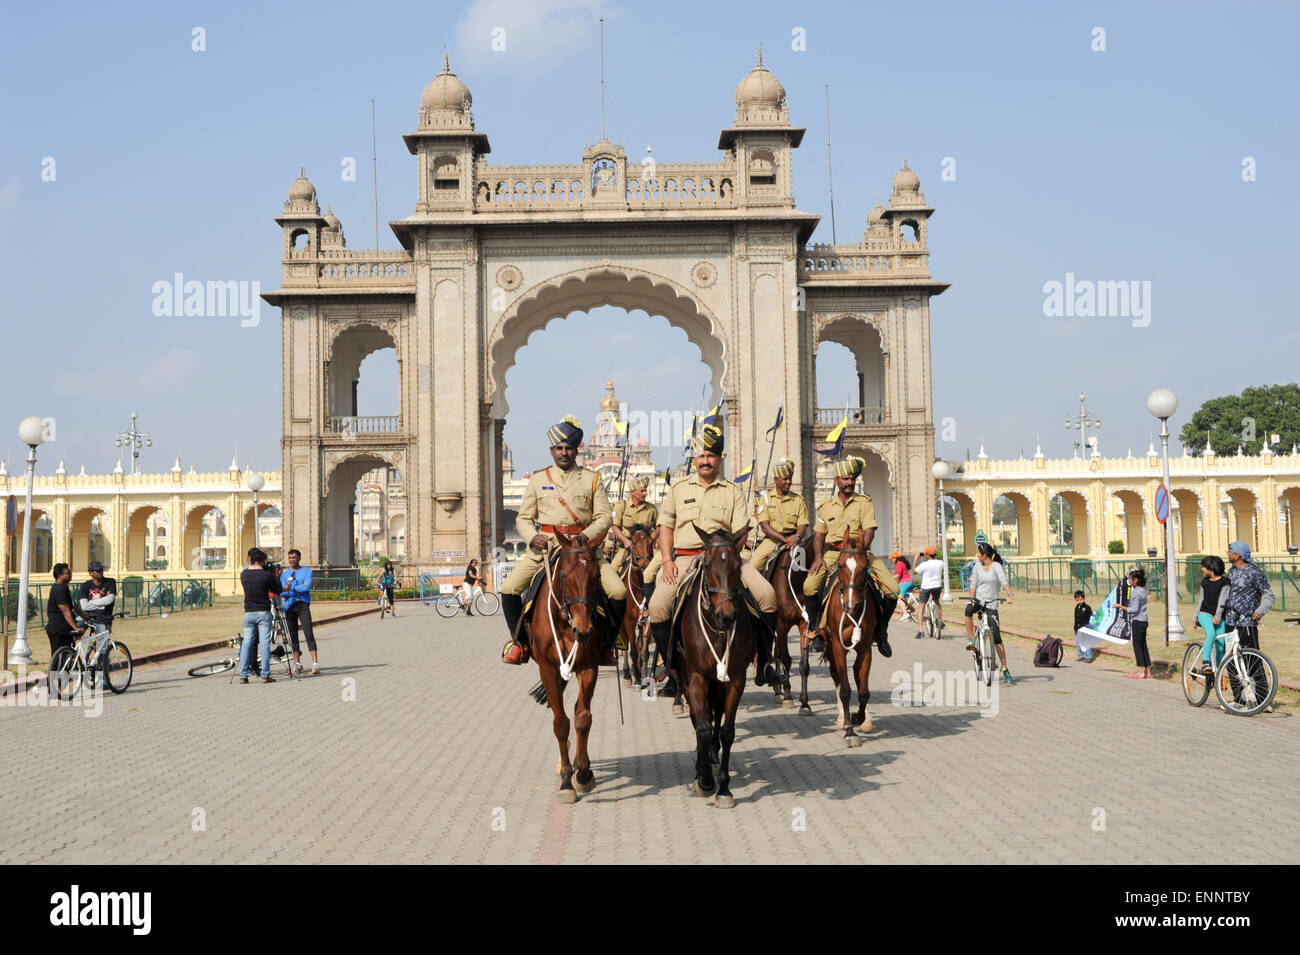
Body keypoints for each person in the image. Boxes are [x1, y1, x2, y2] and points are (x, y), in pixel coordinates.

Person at [647, 424, 782, 689]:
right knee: (657, 606)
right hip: (687, 557)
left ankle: (765, 662)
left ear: (720, 459)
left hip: (725, 559)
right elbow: (666, 526)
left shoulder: (732, 490)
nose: (705, 460)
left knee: (767, 595)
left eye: (711, 456)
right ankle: (673, 668)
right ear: (694, 459)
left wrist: (732, 554)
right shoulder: (679, 488)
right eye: (701, 455)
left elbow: (742, 529)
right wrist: (666, 560)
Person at [500, 415, 626, 665]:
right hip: (546, 549)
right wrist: (532, 536)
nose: (564, 452)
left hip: (584, 551)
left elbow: (603, 518)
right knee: (509, 588)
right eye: (560, 448)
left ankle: (606, 645)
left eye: (569, 448)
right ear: (552, 451)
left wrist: (584, 538)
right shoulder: (539, 479)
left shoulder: (592, 479)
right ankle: (521, 644)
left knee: (619, 592)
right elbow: (523, 519)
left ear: (576, 450)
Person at [802, 455, 898, 657]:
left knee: (893, 589)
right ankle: (815, 629)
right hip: (834, 554)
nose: (849, 483)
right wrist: (818, 557)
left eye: (852, 479)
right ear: (836, 480)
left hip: (861, 552)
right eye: (845, 479)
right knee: (809, 585)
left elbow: (870, 529)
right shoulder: (826, 507)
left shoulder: (864, 502)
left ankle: (881, 632)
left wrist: (863, 548)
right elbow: (819, 536)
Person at [1223, 540, 1274, 710]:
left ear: (1237, 554)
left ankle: (1262, 701)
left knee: (1253, 660)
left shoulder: (1254, 573)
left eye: (1230, 551)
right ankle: (1239, 699)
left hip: (1247, 623)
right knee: (1231, 661)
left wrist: (1260, 611)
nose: (1227, 553)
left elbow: (1268, 596)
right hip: (1230, 622)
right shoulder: (1230, 572)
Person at [963, 542, 1016, 684]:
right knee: (968, 610)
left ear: (984, 554)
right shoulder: (977, 567)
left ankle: (1004, 668)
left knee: (997, 638)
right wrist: (972, 598)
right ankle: (971, 639)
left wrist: (1009, 594)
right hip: (979, 600)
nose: (977, 555)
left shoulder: (997, 566)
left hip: (992, 603)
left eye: (979, 553)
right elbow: (973, 584)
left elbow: (1003, 581)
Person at [747, 459, 809, 575]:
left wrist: (797, 537)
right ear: (776, 480)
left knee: (804, 573)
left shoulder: (798, 500)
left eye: (790, 478)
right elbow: (765, 526)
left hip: (795, 540)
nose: (789, 482)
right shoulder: (765, 499)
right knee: (752, 568)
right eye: (785, 479)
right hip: (772, 540)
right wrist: (785, 540)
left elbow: (803, 523)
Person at [608, 475, 661, 596]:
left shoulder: (651, 509)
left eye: (645, 490)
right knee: (612, 572)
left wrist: (653, 539)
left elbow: (659, 526)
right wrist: (625, 541)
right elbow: (615, 526)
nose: (645, 493)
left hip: (647, 549)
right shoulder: (622, 506)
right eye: (642, 490)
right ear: (633, 492)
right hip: (626, 548)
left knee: (657, 573)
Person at [239, 547, 283, 683]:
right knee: (264, 643)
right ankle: (265, 674)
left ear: (250, 559)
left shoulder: (244, 574)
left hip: (249, 612)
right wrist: (276, 576)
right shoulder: (266, 575)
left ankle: (243, 674)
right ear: (261, 561)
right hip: (263, 611)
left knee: (247, 643)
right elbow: (278, 590)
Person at [78, 560, 117, 689]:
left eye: (101, 569)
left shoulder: (110, 582)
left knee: (102, 650)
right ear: (91, 573)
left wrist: (91, 603)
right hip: (87, 617)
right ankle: (73, 657)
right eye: (97, 570)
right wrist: (100, 603)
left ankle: (104, 679)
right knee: (75, 633)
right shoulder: (85, 586)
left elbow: (110, 599)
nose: (100, 572)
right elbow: (83, 605)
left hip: (103, 619)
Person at [280, 548, 318, 676]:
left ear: (299, 558)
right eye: (290, 558)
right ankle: (297, 664)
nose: (292, 560)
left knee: (308, 633)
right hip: (289, 606)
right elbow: (281, 591)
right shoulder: (285, 574)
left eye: (294, 558)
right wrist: (294, 589)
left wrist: (291, 588)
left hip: (302, 605)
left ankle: (315, 664)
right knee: (293, 636)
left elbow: (306, 587)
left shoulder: (307, 571)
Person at [1194, 556, 1230, 676]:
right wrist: (1195, 617)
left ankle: (1218, 673)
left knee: (1221, 645)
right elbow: (1201, 601)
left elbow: (1222, 601)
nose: (1202, 569)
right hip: (1204, 614)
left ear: (1211, 567)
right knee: (1211, 634)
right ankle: (1205, 663)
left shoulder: (1225, 582)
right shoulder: (1205, 582)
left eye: (1204, 566)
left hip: (1218, 616)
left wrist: (1218, 616)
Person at [45, 563, 82, 657]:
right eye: (68, 573)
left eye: (70, 572)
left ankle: (68, 671)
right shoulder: (59, 589)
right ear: (59, 575)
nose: (70, 574)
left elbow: (73, 605)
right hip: (58, 629)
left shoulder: (64, 587)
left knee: (68, 656)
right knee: (59, 658)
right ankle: (54, 672)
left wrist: (84, 616)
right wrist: (76, 627)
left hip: (65, 628)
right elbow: (65, 610)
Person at [912, 546, 947, 638]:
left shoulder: (924, 564)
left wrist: (915, 559)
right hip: (937, 586)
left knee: (921, 608)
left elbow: (914, 572)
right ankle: (940, 621)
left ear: (927, 555)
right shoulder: (940, 563)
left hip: (926, 587)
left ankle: (921, 631)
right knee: (937, 602)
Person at [1124, 568, 1151, 679]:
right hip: (1144, 621)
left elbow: (1134, 609)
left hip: (1137, 621)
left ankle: (1140, 671)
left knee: (1137, 646)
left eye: (1130, 579)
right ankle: (1147, 672)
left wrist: (1122, 607)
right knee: (1143, 645)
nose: (1129, 581)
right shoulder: (1143, 590)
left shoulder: (1135, 593)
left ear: (1135, 580)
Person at [1073, 590, 1094, 662]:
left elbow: (1091, 617)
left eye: (1081, 599)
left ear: (1084, 598)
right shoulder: (1076, 608)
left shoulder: (1087, 608)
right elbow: (1076, 619)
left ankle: (1089, 656)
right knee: (1078, 643)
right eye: (1078, 600)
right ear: (1075, 599)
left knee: (1086, 642)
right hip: (1078, 629)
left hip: (1086, 628)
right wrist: (1075, 628)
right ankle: (1081, 655)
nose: (1080, 601)